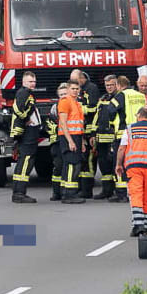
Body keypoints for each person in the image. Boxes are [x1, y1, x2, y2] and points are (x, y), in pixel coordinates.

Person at [115, 107, 147, 237]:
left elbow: (121, 148)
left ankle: (138, 225)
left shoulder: (130, 129)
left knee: (136, 194)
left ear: (138, 116)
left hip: (134, 167)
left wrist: (119, 164)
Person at [107, 75, 147, 203]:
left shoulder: (121, 95)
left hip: (123, 133)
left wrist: (113, 120)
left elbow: (110, 109)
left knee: (119, 163)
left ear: (118, 85)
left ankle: (121, 193)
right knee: (136, 164)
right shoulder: (140, 95)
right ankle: (138, 191)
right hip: (140, 133)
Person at [10, 71, 42, 204]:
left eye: (34, 81)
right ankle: (19, 193)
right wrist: (26, 118)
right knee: (25, 161)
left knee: (25, 160)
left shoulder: (27, 93)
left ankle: (18, 192)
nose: (33, 84)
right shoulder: (24, 93)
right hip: (28, 132)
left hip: (29, 131)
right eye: (30, 81)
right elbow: (18, 109)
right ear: (24, 82)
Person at [71, 69, 100, 198]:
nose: (74, 84)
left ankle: (87, 190)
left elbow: (94, 108)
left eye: (75, 81)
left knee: (88, 160)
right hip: (80, 129)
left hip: (89, 129)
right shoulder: (80, 90)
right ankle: (82, 188)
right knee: (82, 160)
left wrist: (78, 109)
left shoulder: (91, 88)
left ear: (82, 78)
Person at [90, 75, 119, 200]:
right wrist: (92, 134)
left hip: (113, 137)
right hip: (101, 138)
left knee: (115, 165)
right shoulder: (103, 98)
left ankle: (118, 191)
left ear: (116, 85)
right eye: (107, 85)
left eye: (111, 85)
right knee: (103, 165)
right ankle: (106, 191)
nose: (109, 88)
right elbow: (97, 116)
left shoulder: (119, 97)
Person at [58, 80, 86, 204]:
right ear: (68, 89)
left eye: (77, 89)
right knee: (71, 165)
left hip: (76, 137)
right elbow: (63, 123)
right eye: (73, 88)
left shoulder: (77, 103)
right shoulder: (65, 101)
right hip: (68, 137)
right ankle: (69, 194)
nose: (75, 91)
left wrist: (82, 141)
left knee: (72, 165)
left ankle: (65, 191)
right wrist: (70, 141)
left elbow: (79, 124)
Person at [48, 83, 69, 201]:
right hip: (57, 142)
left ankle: (67, 192)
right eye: (61, 94)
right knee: (58, 167)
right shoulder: (54, 108)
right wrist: (57, 130)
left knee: (68, 167)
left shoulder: (73, 105)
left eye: (65, 94)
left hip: (69, 141)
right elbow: (49, 124)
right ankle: (56, 193)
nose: (63, 96)